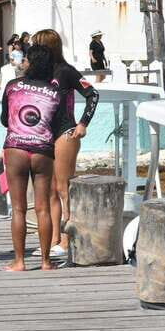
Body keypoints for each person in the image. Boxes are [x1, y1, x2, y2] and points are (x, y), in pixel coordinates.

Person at [32, 29, 99, 258]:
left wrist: (83, 123)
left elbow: (93, 94)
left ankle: (67, 239)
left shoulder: (66, 71)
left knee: (63, 188)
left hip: (65, 132)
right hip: (43, 134)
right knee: (48, 189)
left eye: (37, 46)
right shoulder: (39, 73)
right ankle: (53, 239)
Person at [0, 45, 62, 272]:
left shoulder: (12, 86)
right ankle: (46, 262)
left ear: (31, 63)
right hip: (42, 150)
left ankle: (19, 262)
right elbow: (57, 124)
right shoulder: (55, 93)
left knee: (18, 209)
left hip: (15, 147)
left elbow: (4, 119)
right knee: (43, 207)